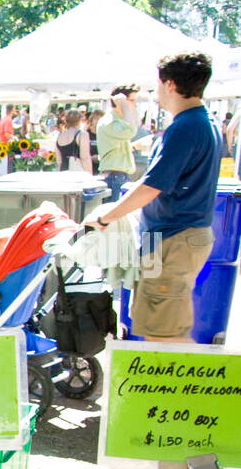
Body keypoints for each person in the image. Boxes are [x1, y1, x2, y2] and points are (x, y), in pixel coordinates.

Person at [84, 52, 222, 344]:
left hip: (174, 240)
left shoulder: (186, 127)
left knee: (165, 332)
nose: (156, 93)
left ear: (170, 84)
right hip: (168, 237)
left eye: (158, 85)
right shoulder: (200, 122)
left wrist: (107, 217)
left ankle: (192, 387)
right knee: (155, 324)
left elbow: (152, 187)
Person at [97, 85, 140, 201]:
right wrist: (124, 105)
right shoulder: (109, 121)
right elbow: (131, 130)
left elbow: (135, 124)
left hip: (118, 177)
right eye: (132, 100)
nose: (135, 104)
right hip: (115, 178)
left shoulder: (118, 121)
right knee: (116, 218)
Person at [54, 109, 93, 174]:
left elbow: (59, 161)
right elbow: (84, 157)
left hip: (63, 172)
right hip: (77, 173)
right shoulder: (82, 134)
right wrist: (90, 174)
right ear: (80, 120)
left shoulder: (59, 137)